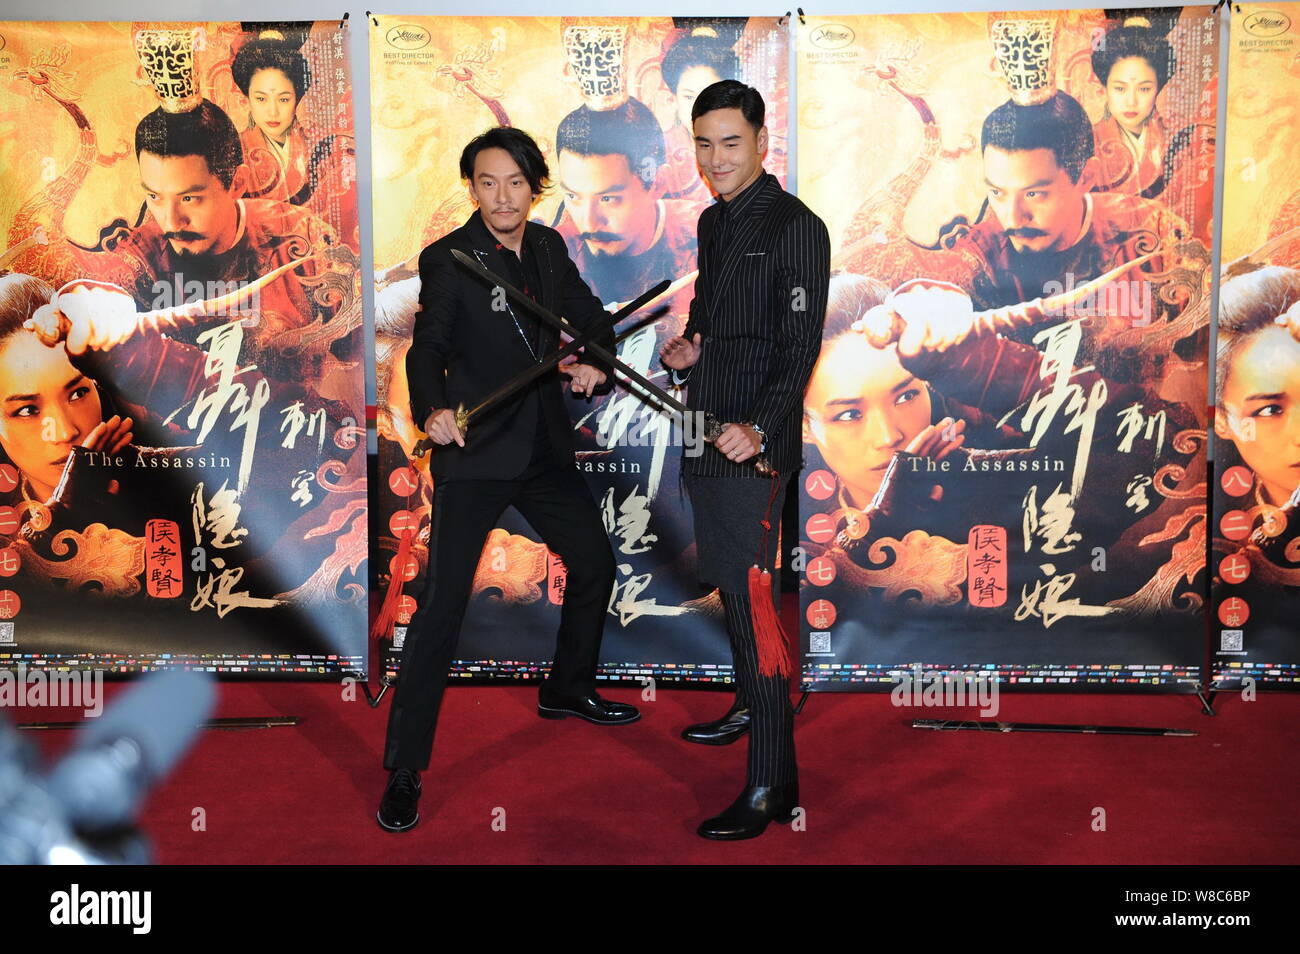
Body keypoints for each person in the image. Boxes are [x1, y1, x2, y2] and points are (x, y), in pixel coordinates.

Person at [378, 126, 639, 834]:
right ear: (472, 188)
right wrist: (432, 410)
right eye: (487, 182)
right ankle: (406, 768)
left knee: (594, 564)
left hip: (545, 446)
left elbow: (591, 321)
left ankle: (567, 688)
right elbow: (426, 347)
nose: (502, 196)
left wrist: (597, 362)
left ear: (534, 187)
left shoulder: (550, 248)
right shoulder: (451, 259)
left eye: (515, 183)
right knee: (440, 611)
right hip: (477, 449)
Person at [659, 80, 830, 840]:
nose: (716, 158)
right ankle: (754, 718)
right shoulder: (711, 221)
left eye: (731, 142)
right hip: (704, 424)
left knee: (756, 599)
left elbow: (800, 348)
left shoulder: (797, 226)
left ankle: (769, 787)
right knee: (733, 586)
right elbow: (707, 315)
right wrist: (689, 348)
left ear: (763, 142)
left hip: (750, 445)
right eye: (703, 143)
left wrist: (760, 430)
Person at [553, 98, 700, 311]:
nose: (589, 224)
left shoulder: (709, 235)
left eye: (607, 199)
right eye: (573, 196)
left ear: (657, 184)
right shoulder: (553, 252)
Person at [1089, 18, 1176, 198]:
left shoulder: (1175, 143)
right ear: (1103, 90)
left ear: (1158, 89)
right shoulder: (1088, 144)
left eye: (1144, 89)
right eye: (1120, 89)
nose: (1131, 101)